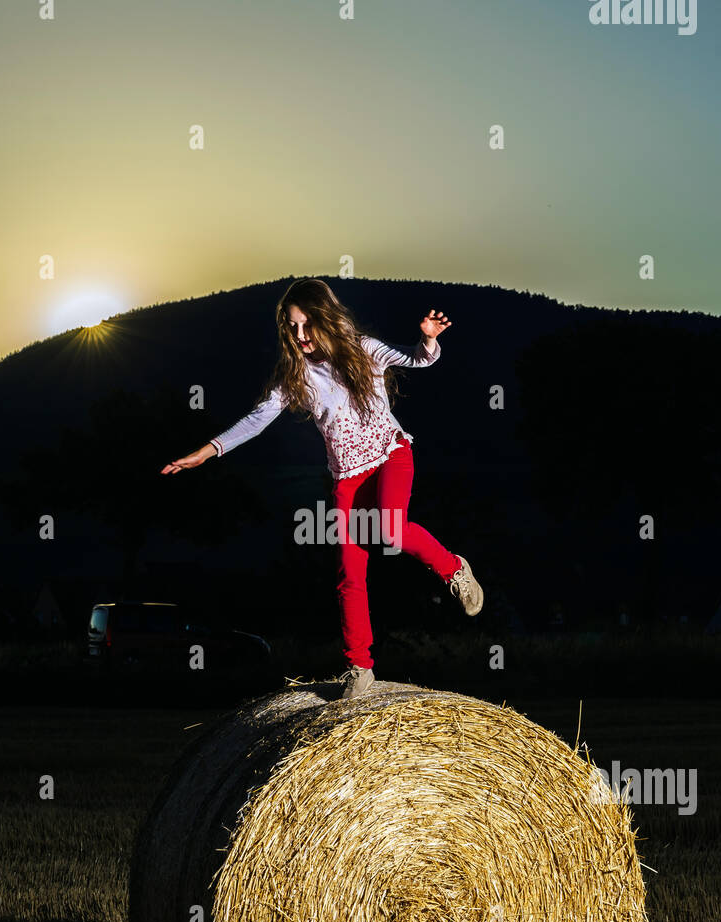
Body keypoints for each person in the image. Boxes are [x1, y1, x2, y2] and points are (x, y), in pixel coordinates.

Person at [161, 278, 483, 698]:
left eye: (306, 324)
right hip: (346, 476)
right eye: (291, 328)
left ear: (325, 318)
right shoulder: (295, 376)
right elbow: (258, 418)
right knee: (349, 573)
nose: (300, 335)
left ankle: (453, 569)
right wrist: (208, 451)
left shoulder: (363, 350)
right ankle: (359, 667)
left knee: (388, 529)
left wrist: (427, 341)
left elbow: (415, 360)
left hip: (390, 454)